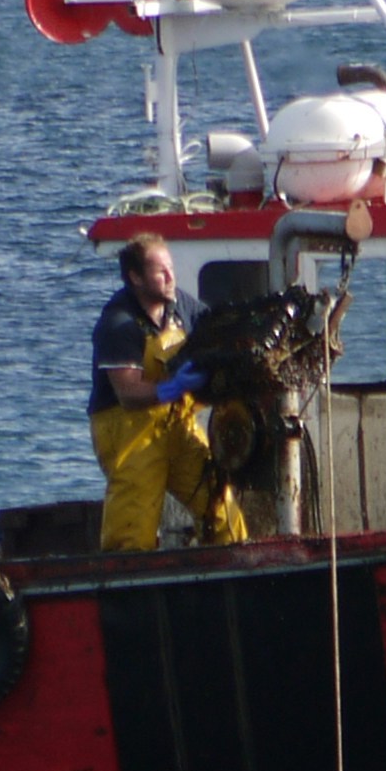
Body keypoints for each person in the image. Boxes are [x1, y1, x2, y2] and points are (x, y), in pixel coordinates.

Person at [88, 236, 247, 552]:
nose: (171, 277)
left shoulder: (181, 307)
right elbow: (129, 394)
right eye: (160, 272)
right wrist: (174, 386)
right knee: (132, 535)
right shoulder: (118, 324)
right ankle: (128, 589)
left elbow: (218, 331)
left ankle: (227, 574)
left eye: (171, 268)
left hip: (177, 427)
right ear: (135, 278)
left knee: (222, 508)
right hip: (130, 435)